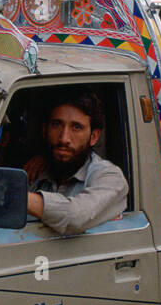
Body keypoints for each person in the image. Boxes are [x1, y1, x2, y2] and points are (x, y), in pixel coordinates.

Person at [22, 91, 128, 236]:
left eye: (76, 127)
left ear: (94, 136)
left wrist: (12, 194)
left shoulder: (110, 177)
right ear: (44, 130)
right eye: (57, 125)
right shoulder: (35, 172)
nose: (64, 138)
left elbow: (75, 217)